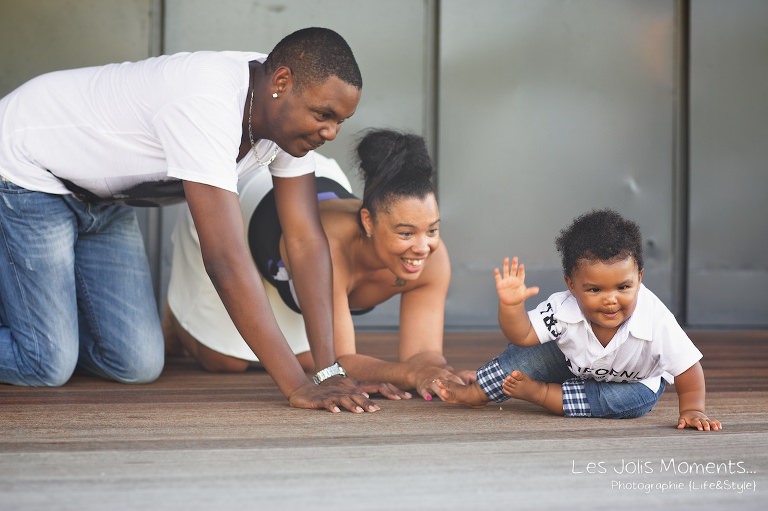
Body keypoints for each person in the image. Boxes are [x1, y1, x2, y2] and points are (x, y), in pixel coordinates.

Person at [0, 27, 380, 414]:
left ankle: (32, 318)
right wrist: (296, 385)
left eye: (341, 121)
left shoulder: (285, 115)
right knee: (45, 363)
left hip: (101, 198)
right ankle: (38, 331)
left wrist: (327, 370)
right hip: (29, 169)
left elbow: (304, 241)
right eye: (324, 115)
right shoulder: (207, 102)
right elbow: (225, 260)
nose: (330, 132)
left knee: (136, 363)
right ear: (281, 82)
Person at [164, 129, 463, 401]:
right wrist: (410, 374)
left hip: (308, 198)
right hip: (240, 200)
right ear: (368, 222)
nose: (423, 247)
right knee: (227, 362)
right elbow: (338, 360)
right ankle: (174, 321)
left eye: (432, 230)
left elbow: (423, 354)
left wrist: (438, 375)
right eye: (406, 233)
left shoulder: (432, 258)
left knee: (307, 360)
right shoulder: (329, 251)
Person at [436, 209, 722, 431]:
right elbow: (521, 335)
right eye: (595, 289)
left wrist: (692, 409)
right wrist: (511, 306)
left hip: (633, 382)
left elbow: (688, 368)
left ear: (639, 279)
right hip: (572, 361)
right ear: (571, 285)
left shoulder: (655, 319)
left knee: (629, 403)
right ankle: (478, 391)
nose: (611, 299)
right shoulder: (563, 308)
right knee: (526, 357)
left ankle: (542, 394)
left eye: (623, 287)